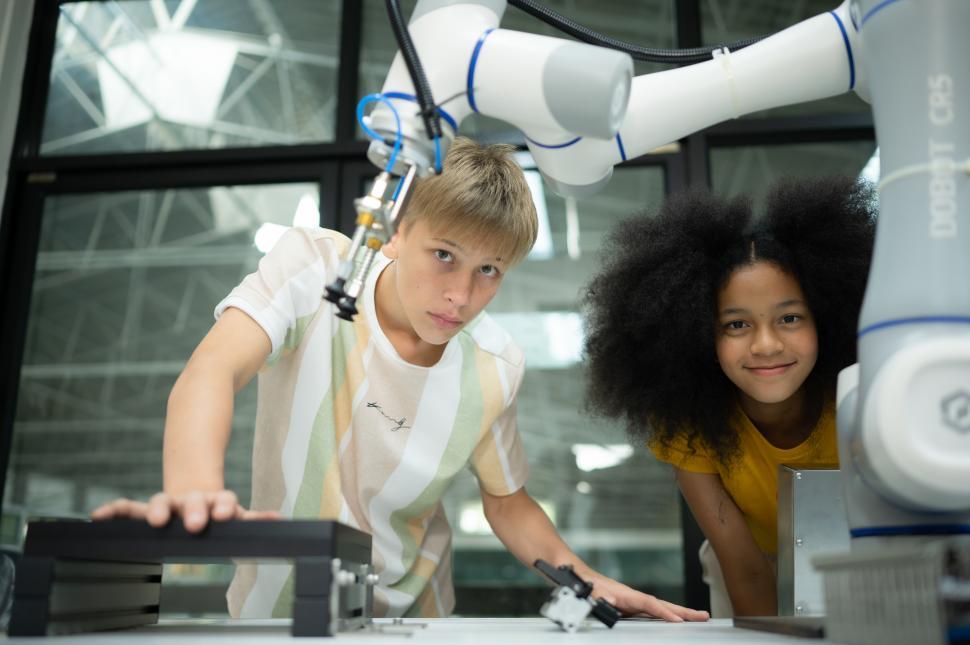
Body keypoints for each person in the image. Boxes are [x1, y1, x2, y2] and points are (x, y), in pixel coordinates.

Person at [92, 137, 708, 622]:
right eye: (444, 255)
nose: (461, 295)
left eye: (489, 270)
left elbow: (508, 500)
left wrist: (588, 579)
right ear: (392, 234)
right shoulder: (315, 266)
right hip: (274, 611)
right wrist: (195, 490)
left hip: (416, 619)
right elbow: (213, 369)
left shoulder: (495, 363)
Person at [582, 175, 875, 617]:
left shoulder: (864, 401)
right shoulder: (690, 424)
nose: (765, 345)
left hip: (864, 559)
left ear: (828, 319)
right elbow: (744, 568)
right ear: (698, 335)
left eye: (790, 318)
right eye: (736, 324)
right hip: (743, 564)